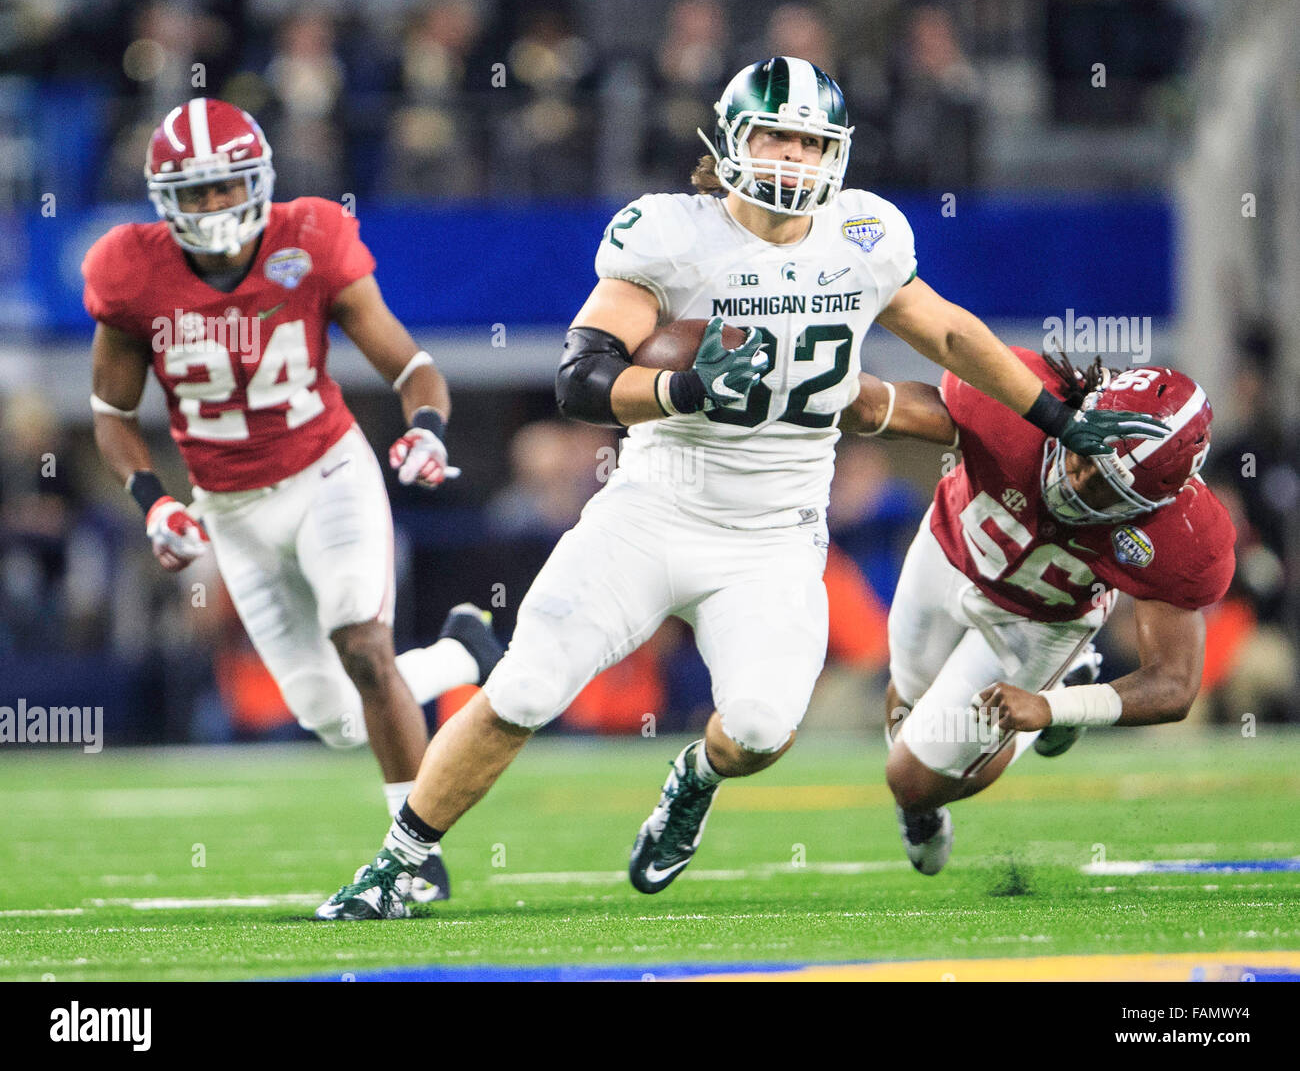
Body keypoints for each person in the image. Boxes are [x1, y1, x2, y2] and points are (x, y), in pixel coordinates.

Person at [315, 56, 1166, 919]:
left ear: (834, 153)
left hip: (774, 535)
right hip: (652, 511)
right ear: (729, 141)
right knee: (528, 685)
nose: (793, 160)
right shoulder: (672, 232)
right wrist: (683, 389)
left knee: (759, 727)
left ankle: (694, 776)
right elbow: (581, 377)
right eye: (774, 137)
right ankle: (399, 862)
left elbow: (949, 334)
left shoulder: (865, 236)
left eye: (809, 142)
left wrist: (1058, 420)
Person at [85, 97, 503, 902]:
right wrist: (152, 502)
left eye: (226, 187)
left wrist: (428, 430)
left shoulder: (308, 239)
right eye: (195, 191)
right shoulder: (130, 270)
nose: (212, 206)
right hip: (230, 509)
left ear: (261, 181)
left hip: (326, 476)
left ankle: (411, 855)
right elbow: (111, 417)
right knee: (332, 719)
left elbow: (414, 367)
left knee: (362, 643)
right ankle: (460, 656)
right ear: (164, 197)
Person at [838, 349, 1234, 874]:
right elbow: (899, 408)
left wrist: (1049, 710)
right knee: (905, 704)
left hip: (1041, 618)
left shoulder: (1182, 536)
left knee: (909, 781)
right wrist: (839, 393)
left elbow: (1175, 684)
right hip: (950, 548)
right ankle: (1054, 690)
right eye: (1084, 452)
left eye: (1104, 485)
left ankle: (1050, 698)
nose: (1077, 478)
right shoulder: (1022, 398)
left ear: (1156, 501)